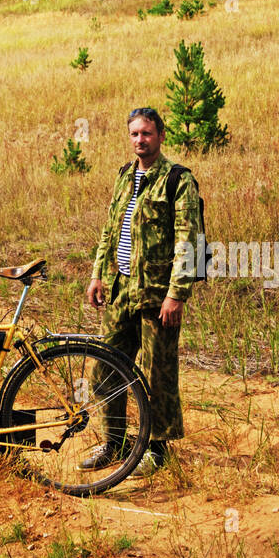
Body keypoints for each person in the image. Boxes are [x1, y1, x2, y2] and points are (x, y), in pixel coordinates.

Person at [83, 107, 201, 474]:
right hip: (120, 293)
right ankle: (113, 444)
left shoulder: (177, 180)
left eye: (147, 133)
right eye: (134, 134)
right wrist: (98, 274)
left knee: (157, 376)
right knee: (105, 370)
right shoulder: (123, 177)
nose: (140, 140)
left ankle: (156, 450)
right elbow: (109, 231)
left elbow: (189, 240)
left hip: (156, 296)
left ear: (161, 136)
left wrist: (176, 294)